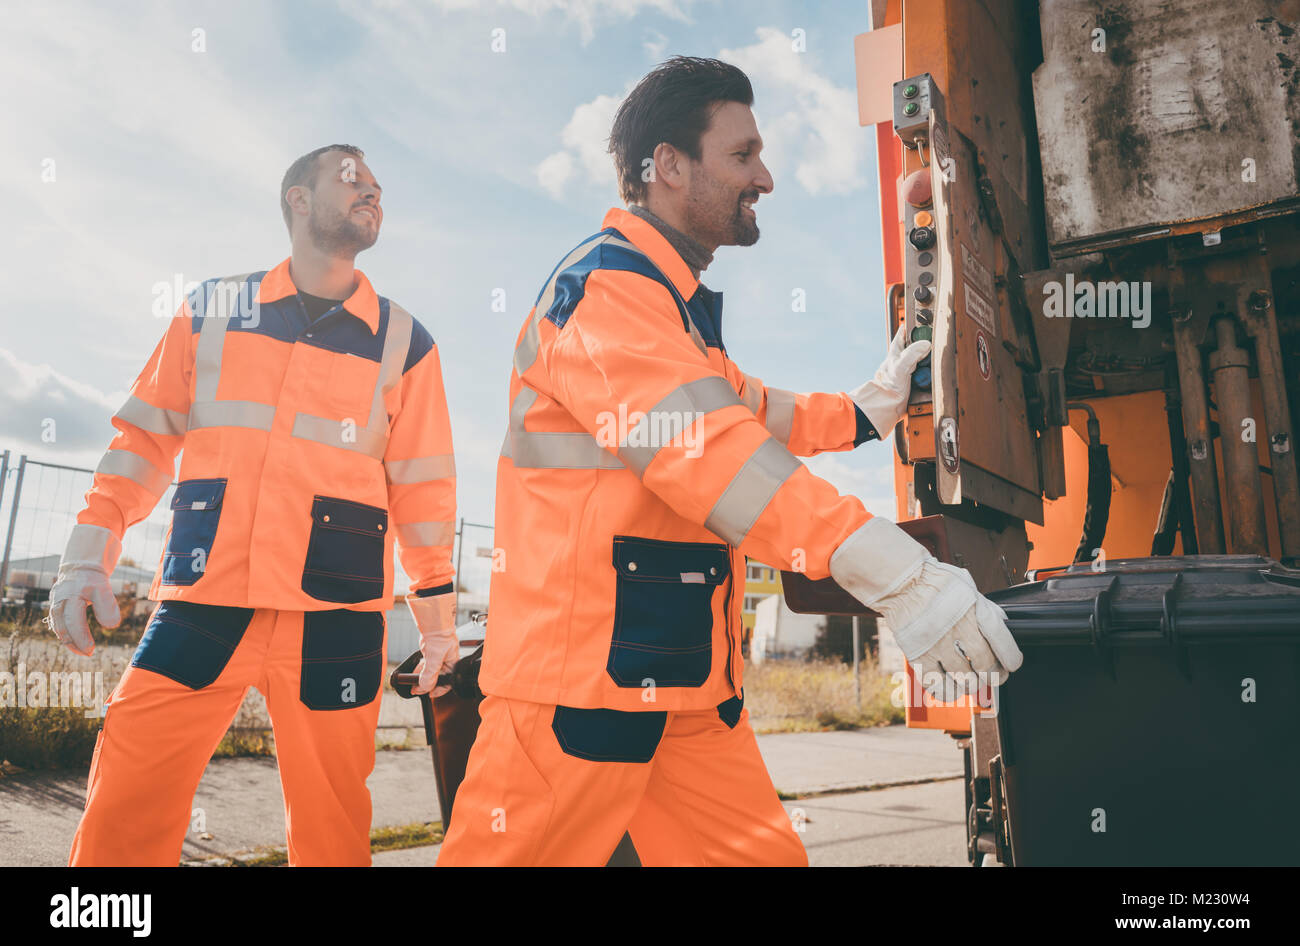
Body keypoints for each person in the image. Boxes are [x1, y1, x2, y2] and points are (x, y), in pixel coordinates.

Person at [437, 57, 1021, 866]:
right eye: (743, 155)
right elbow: (712, 454)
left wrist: (867, 408)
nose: (767, 177)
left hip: (679, 691)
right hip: (574, 698)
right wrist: (901, 574)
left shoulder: (676, 318)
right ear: (670, 166)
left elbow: (753, 412)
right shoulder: (605, 291)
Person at [48, 144, 460, 866]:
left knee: (333, 828)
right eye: (351, 177)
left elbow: (424, 490)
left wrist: (437, 625)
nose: (373, 190)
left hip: (337, 615)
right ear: (298, 200)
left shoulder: (406, 342)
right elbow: (143, 440)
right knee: (127, 794)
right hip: (206, 596)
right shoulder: (213, 310)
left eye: (379, 186)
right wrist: (89, 555)